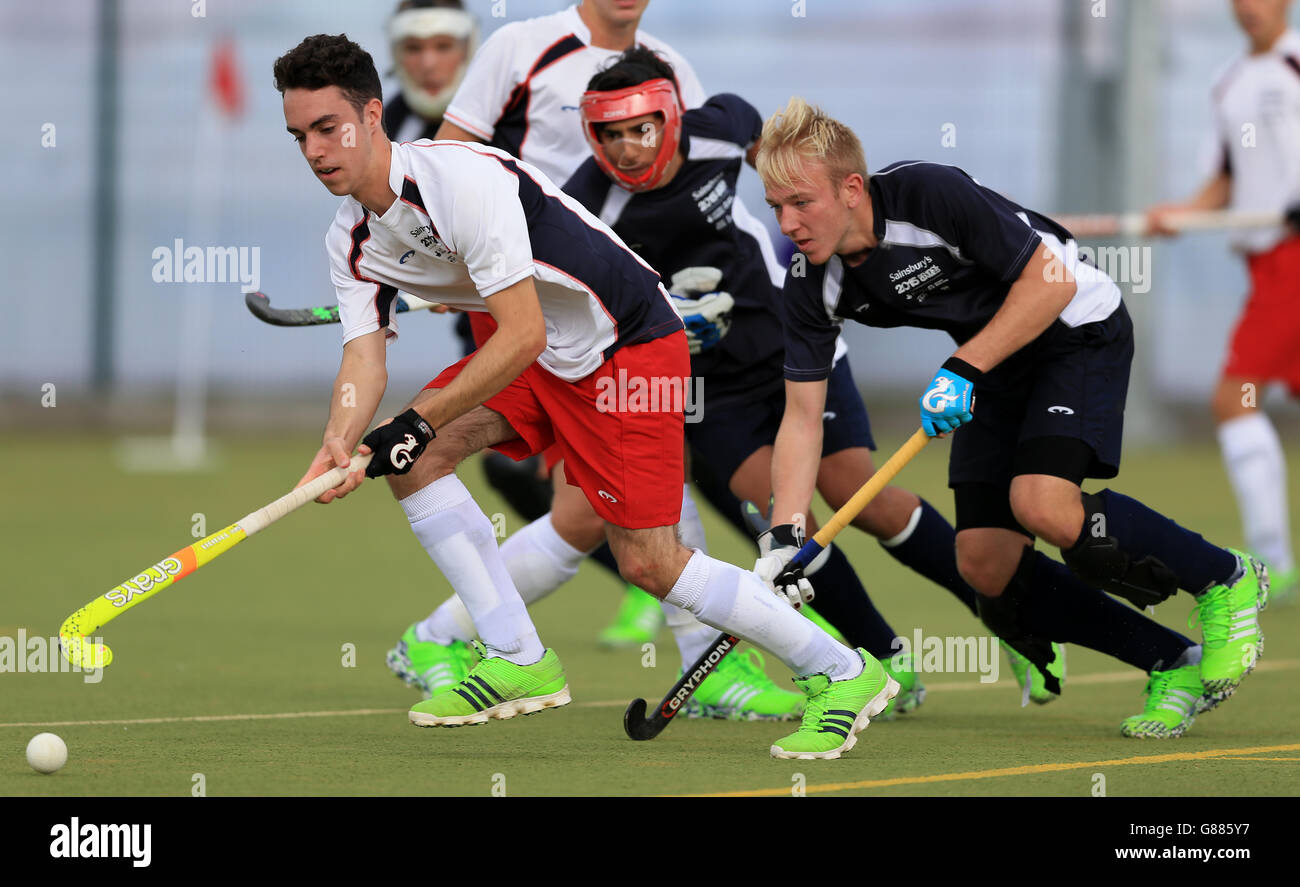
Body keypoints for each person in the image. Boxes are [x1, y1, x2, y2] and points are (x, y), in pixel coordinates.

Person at [274, 34, 898, 760]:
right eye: (299, 136)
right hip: (549, 354)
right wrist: (339, 440)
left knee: (650, 562)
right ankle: (516, 654)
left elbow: (520, 335)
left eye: (328, 127)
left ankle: (843, 670)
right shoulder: (349, 239)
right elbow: (363, 357)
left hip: (627, 340)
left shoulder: (459, 182)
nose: (316, 150)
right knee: (413, 460)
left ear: (372, 114)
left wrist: (416, 418)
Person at [756, 97, 1270, 739]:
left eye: (801, 202)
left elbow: (1052, 280)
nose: (788, 221)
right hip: (994, 360)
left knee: (1043, 505)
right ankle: (1172, 660)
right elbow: (803, 418)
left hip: (1073, 330)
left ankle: (1226, 576)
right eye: (776, 205)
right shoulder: (810, 280)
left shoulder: (928, 194)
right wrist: (781, 538)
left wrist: (965, 368)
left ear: (852, 188)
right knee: (984, 562)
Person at [1146, 0, 1299, 605]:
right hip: (1265, 265)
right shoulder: (1229, 82)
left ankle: (1274, 562)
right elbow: (1225, 178)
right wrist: (1181, 213)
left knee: (1233, 398)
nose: (1248, 7)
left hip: (1294, 258)